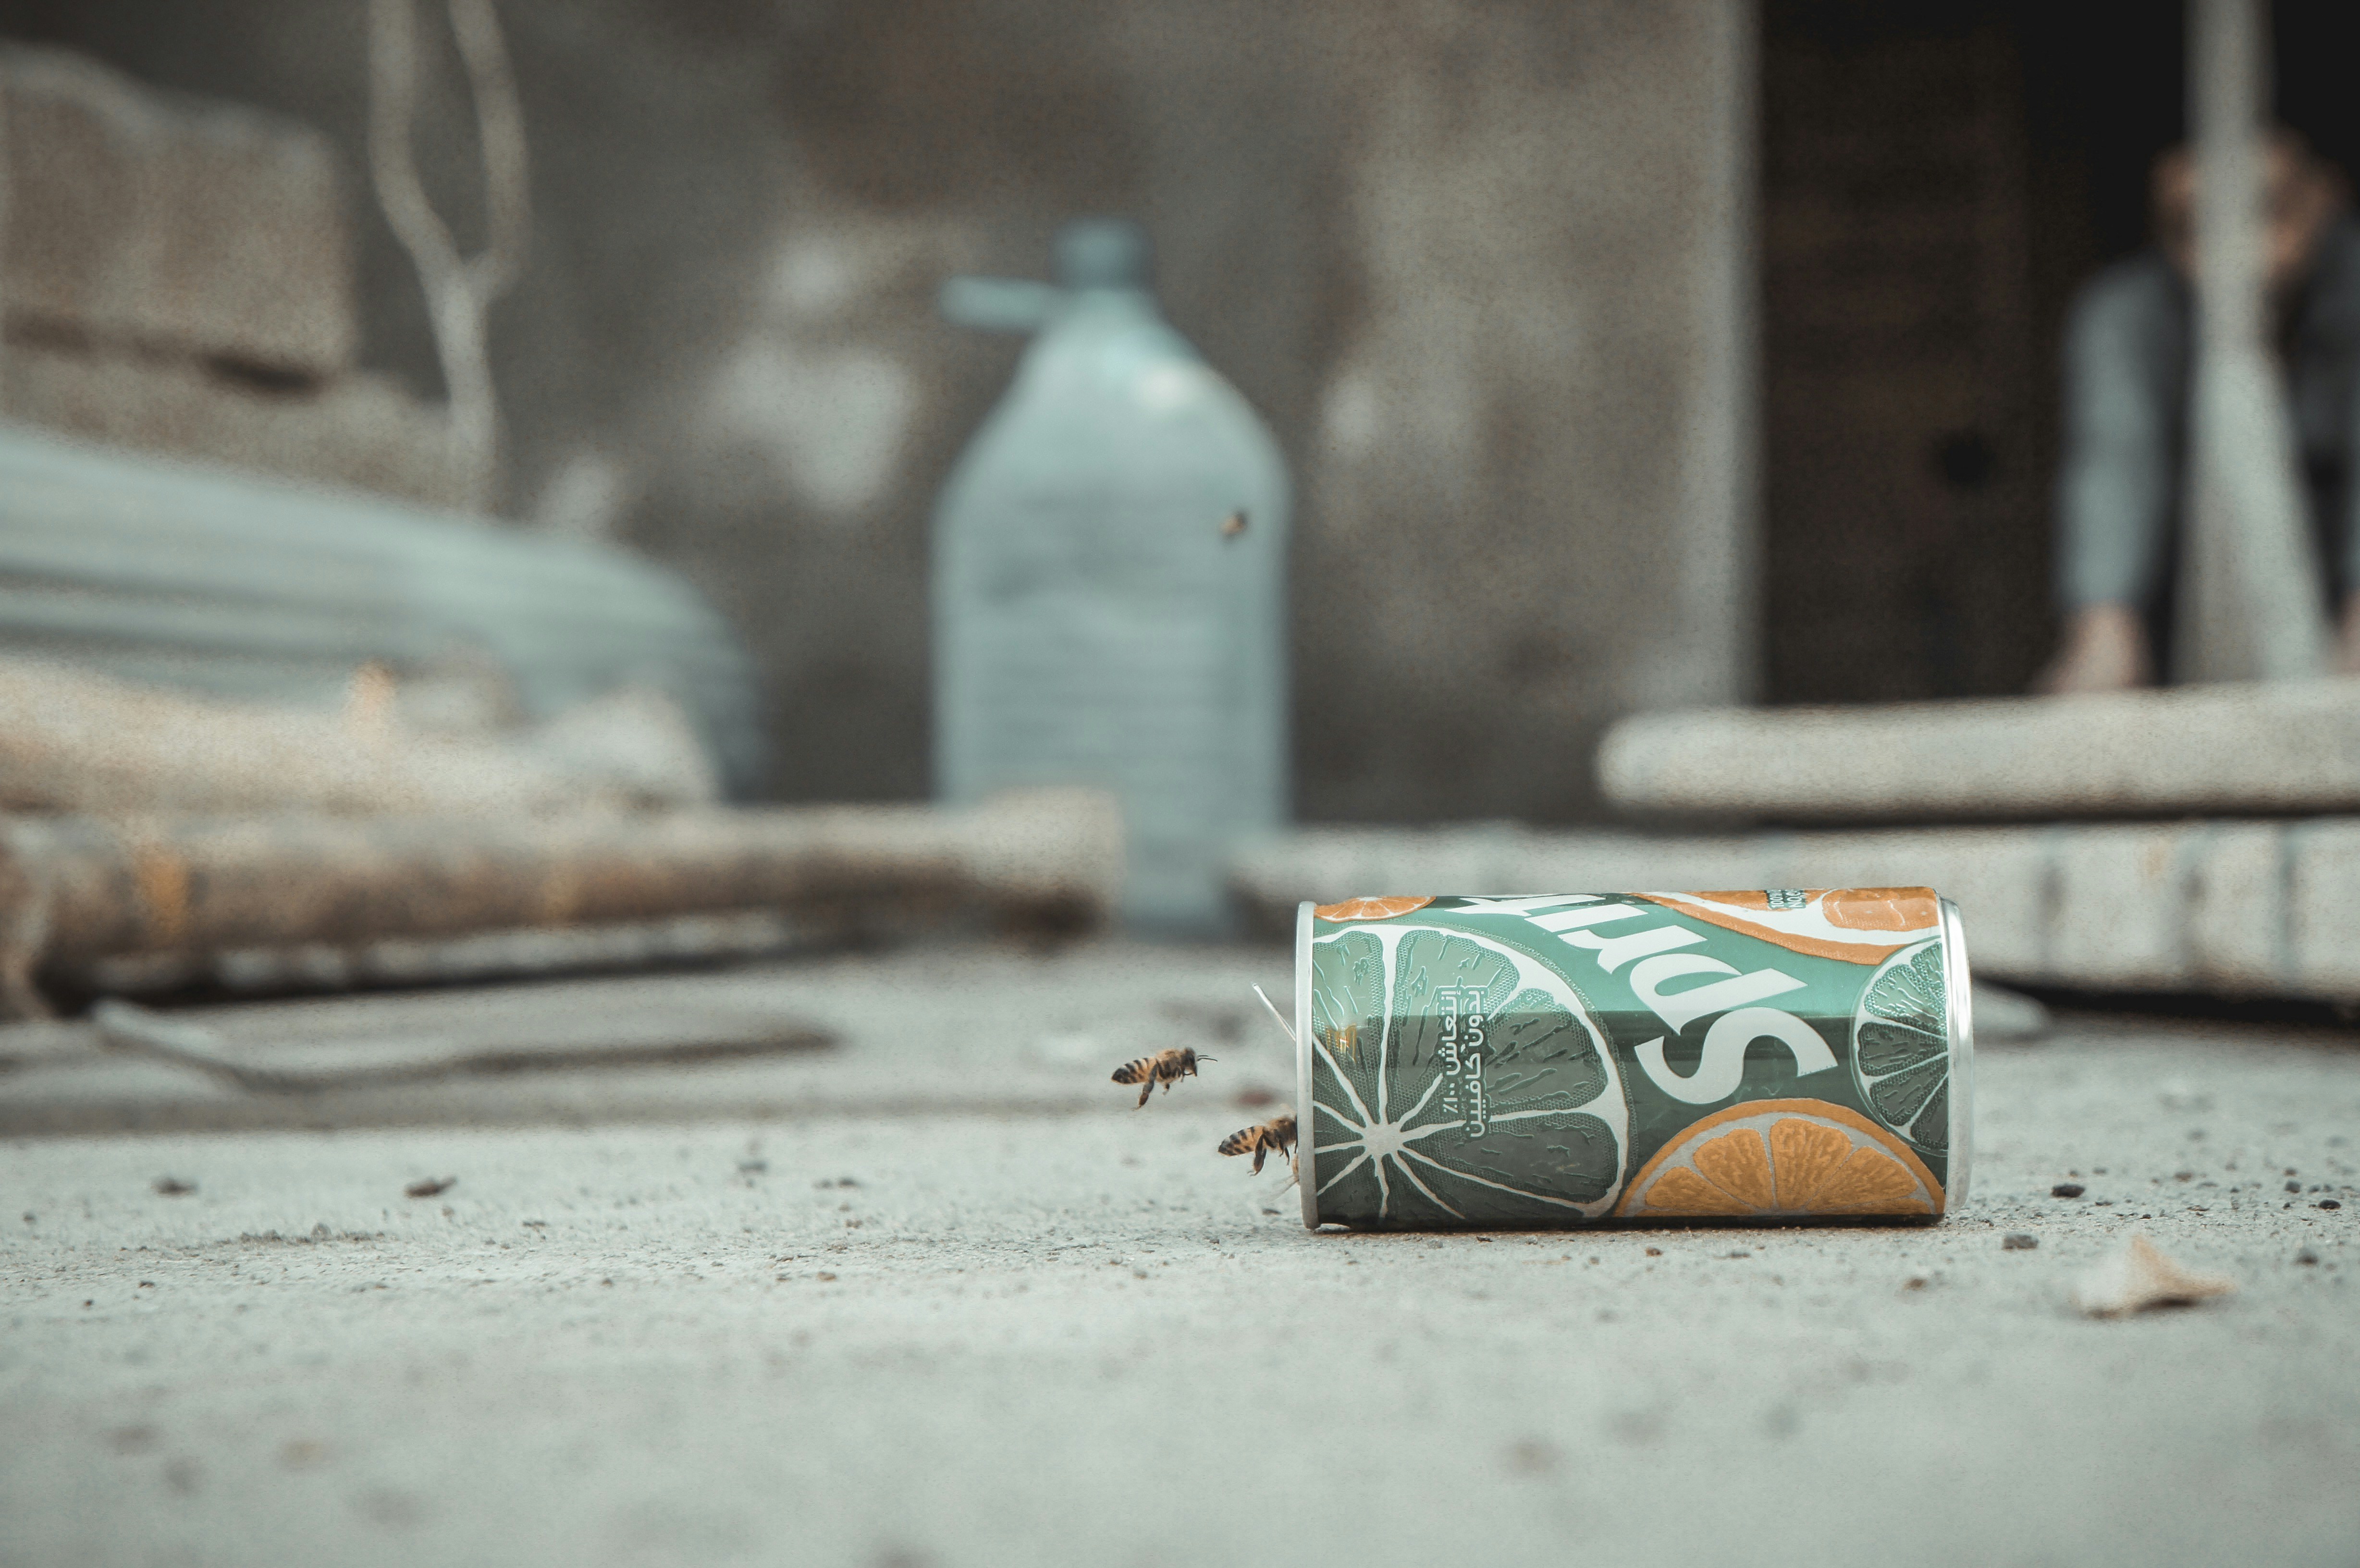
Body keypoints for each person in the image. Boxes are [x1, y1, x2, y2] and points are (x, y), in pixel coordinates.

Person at [2037, 131, 2360, 692]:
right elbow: (2115, 460)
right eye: (2195, 227)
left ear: (2326, 195)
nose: (2236, 251)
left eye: (2267, 211)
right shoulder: (2130, 317)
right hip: (2198, 617)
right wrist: (2105, 625)